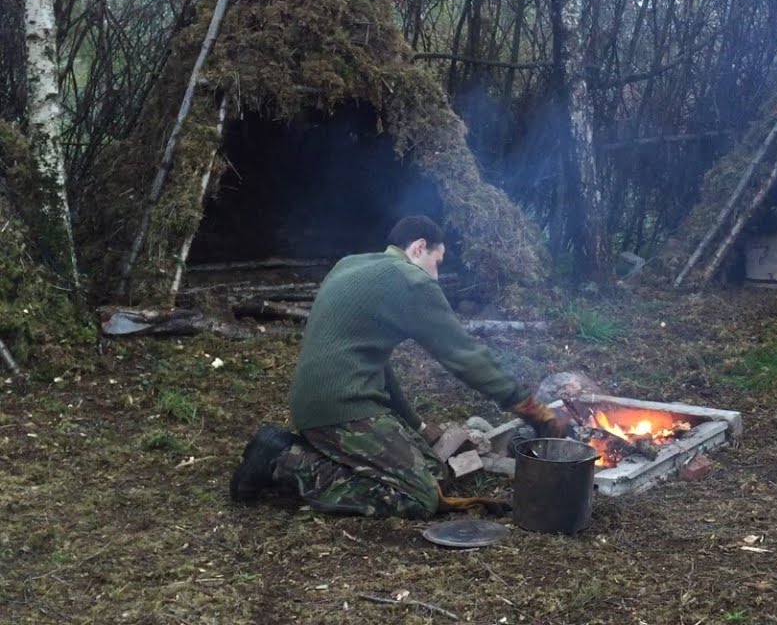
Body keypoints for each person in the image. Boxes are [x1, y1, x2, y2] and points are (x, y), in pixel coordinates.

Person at [229, 215, 572, 518]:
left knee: (434, 472)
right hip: (342, 410)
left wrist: (416, 425)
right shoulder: (412, 281)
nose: (436, 276)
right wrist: (534, 411)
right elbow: (466, 357)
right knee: (420, 498)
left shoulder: (350, 264)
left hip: (317, 402)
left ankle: (319, 454)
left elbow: (372, 363)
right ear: (419, 248)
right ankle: (285, 460)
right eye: (438, 262)